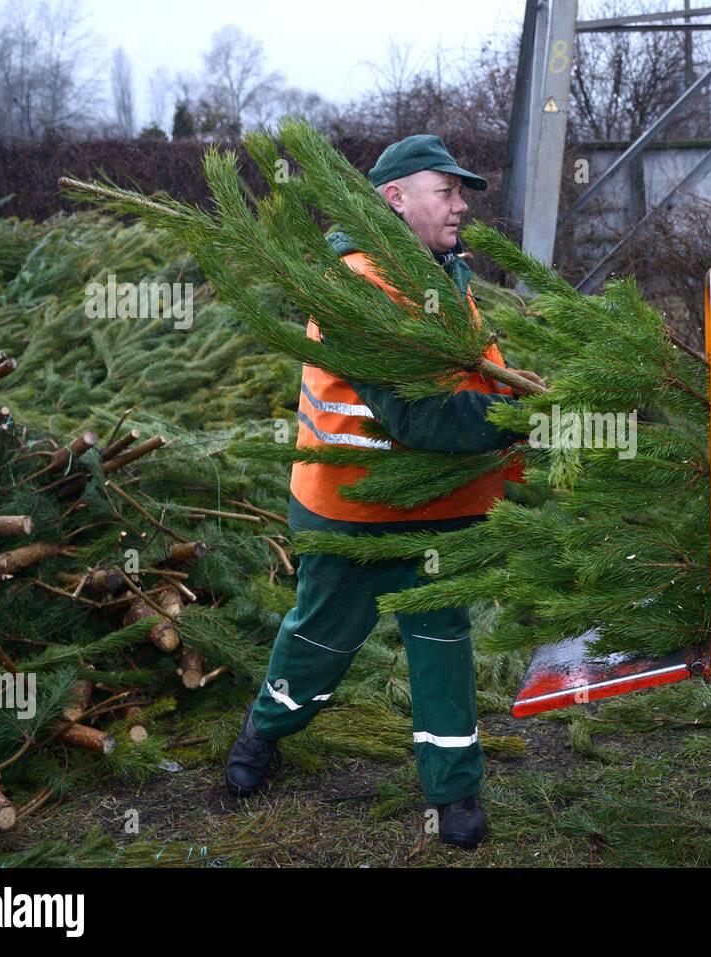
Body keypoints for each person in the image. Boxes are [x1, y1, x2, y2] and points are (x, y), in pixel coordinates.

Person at [226, 135, 538, 850]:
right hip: (353, 512)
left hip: (440, 510)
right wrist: (526, 419)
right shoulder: (360, 284)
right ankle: (263, 730)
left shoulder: (442, 273)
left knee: (442, 649)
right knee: (318, 644)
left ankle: (454, 792)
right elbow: (419, 415)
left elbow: (473, 376)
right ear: (394, 198)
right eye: (447, 190)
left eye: (464, 192)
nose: (462, 205)